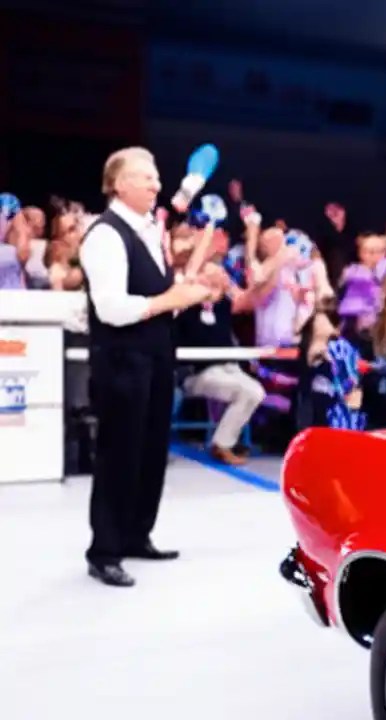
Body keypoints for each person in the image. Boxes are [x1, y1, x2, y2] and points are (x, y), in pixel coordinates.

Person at [78, 147, 213, 588]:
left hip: (155, 358)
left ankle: (137, 534)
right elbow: (112, 307)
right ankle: (106, 550)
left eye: (157, 177)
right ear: (119, 184)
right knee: (119, 453)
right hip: (121, 361)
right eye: (146, 177)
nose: (157, 184)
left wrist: (187, 292)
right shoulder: (105, 234)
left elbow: (157, 293)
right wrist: (169, 300)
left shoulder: (149, 231)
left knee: (152, 449)